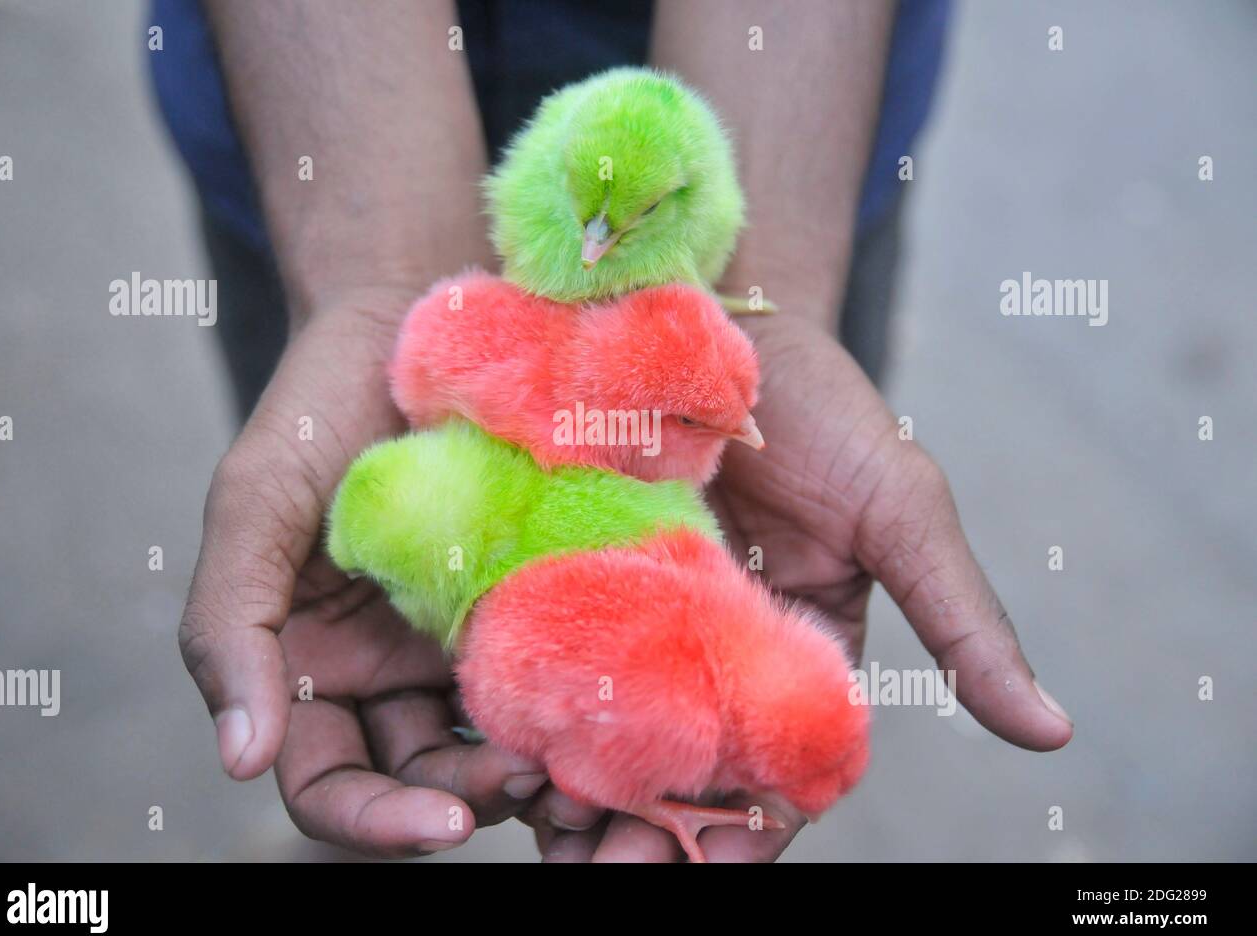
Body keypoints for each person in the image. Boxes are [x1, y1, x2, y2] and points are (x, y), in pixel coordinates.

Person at [153, 0, 1071, 862]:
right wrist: (375, 269)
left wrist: (773, 288)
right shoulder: (645, 549)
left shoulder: (628, 485)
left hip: (807, 114)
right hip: (310, 107)